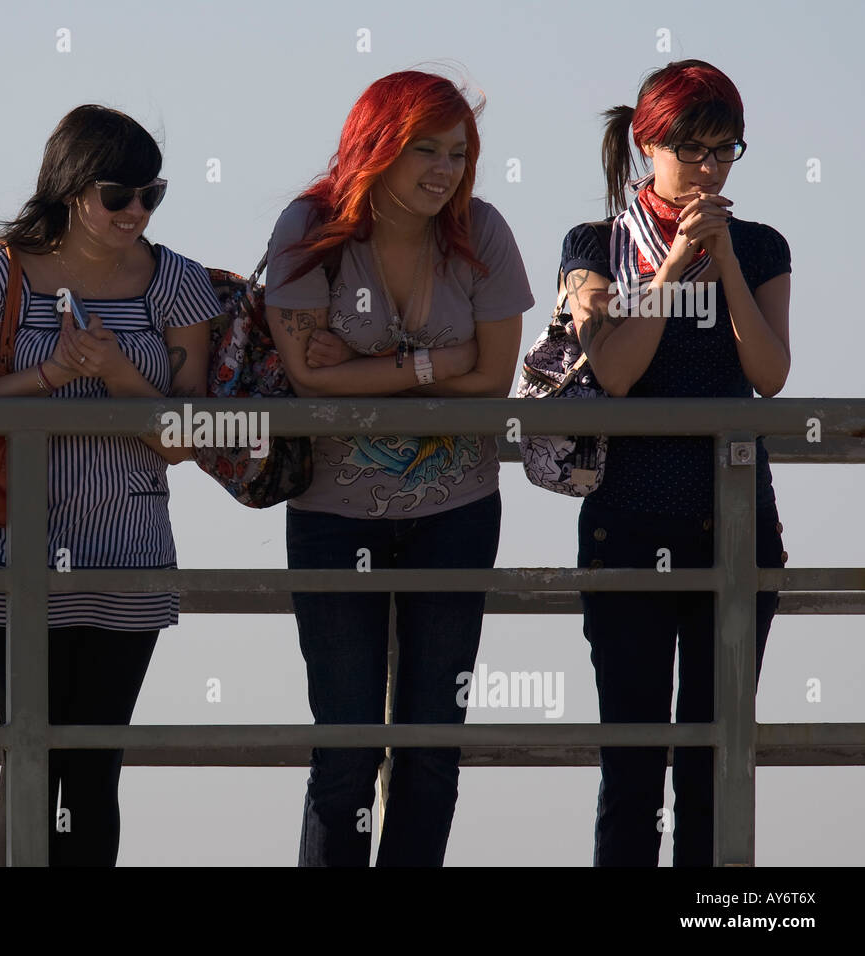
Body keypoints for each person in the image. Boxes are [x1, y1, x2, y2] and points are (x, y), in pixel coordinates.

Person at [0, 104, 218, 867]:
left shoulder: (180, 283)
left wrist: (119, 375)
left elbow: (189, 441)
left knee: (93, 767)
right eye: (117, 194)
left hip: (126, 549)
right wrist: (50, 375)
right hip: (11, 546)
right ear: (69, 188)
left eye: (151, 194)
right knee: (28, 757)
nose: (136, 212)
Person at [264, 71, 534, 866]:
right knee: (345, 748)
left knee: (429, 746)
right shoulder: (309, 225)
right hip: (332, 513)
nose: (446, 170)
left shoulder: (481, 230)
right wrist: (432, 363)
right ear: (377, 144)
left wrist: (369, 362)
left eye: (458, 152)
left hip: (458, 510)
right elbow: (311, 380)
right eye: (426, 149)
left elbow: (491, 379)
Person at [560, 59, 791, 866]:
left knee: (715, 757)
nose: (709, 168)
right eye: (692, 149)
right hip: (627, 525)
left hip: (735, 529)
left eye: (726, 150)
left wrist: (723, 260)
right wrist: (668, 268)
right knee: (632, 762)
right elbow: (616, 375)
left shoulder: (760, 246)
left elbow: (769, 374)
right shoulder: (596, 245)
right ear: (645, 145)